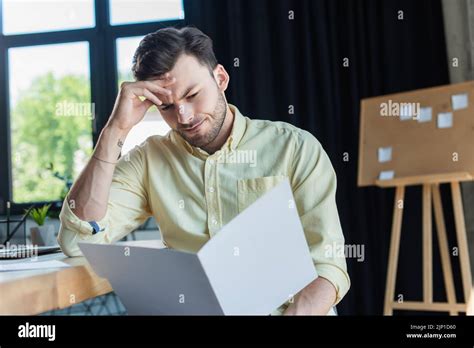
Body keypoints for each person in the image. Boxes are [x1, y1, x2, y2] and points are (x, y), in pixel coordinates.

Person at [58, 26, 350, 315]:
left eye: (192, 95)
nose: (183, 116)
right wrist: (115, 130)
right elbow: (77, 241)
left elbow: (327, 265)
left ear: (220, 78)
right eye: (167, 106)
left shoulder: (295, 148)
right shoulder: (149, 160)